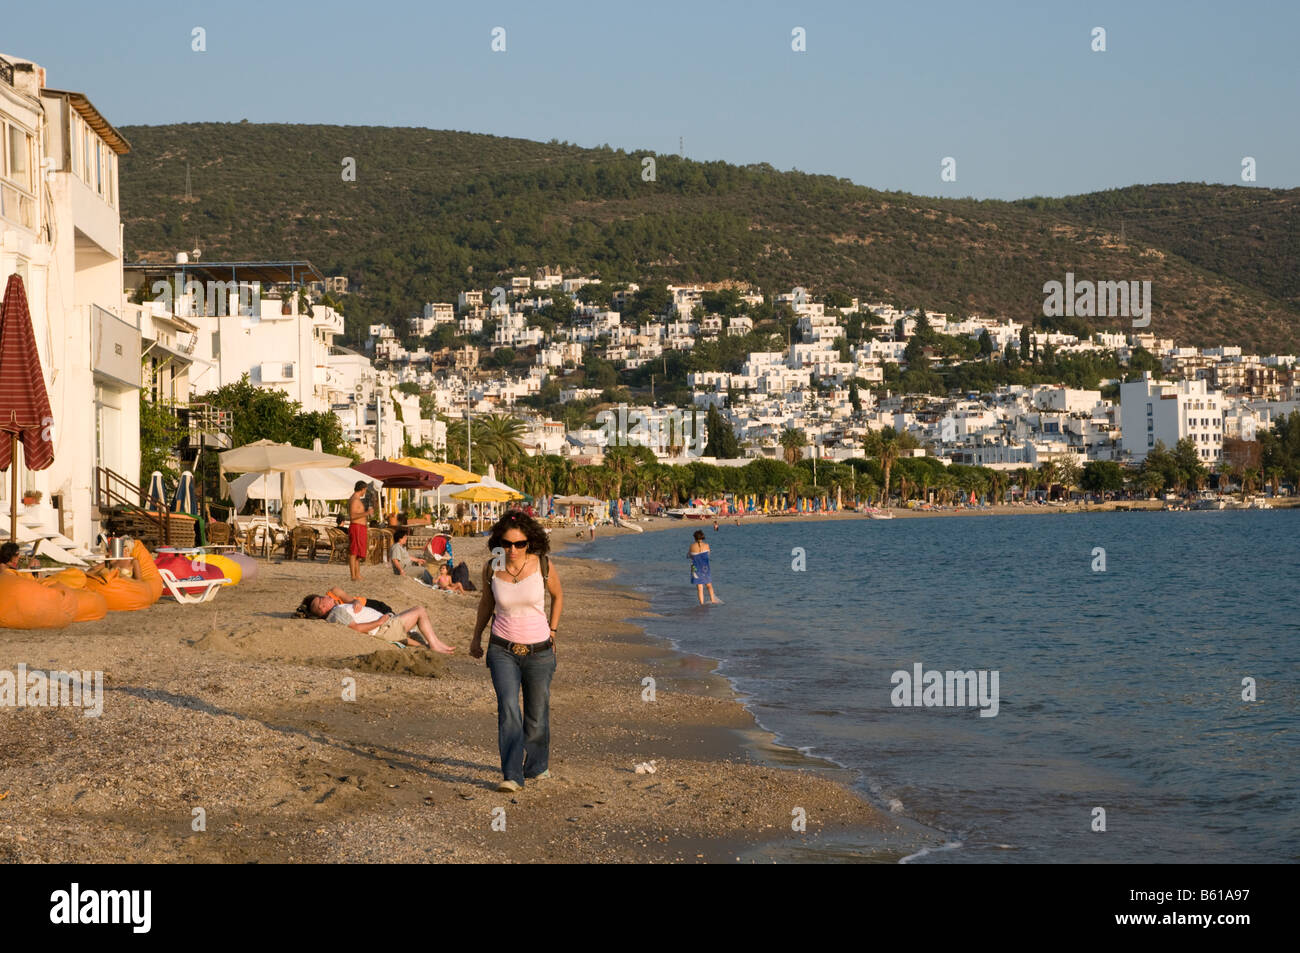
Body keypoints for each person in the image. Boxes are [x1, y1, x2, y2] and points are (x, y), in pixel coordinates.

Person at [471, 511, 563, 793]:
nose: (513, 550)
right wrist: (476, 638)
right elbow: (486, 604)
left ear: (529, 542)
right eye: (507, 544)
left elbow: (558, 596)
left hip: (539, 651)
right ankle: (512, 775)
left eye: (519, 544)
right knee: (508, 710)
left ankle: (536, 766)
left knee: (536, 715)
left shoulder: (542, 564)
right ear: (499, 542)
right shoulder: (492, 567)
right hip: (502, 649)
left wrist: (553, 630)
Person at [302, 594, 454, 654]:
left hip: (385, 625)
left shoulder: (338, 609)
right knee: (419, 610)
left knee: (418, 641)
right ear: (322, 608)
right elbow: (356, 628)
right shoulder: (336, 614)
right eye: (323, 599)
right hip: (383, 628)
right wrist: (380, 621)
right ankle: (435, 645)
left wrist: (354, 601)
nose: (327, 597)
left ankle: (435, 646)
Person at [294, 588, 394, 619]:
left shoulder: (333, 592)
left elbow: (349, 599)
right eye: (321, 598)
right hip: (364, 616)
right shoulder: (328, 613)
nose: (324, 596)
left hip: (369, 605)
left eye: (321, 596)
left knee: (392, 617)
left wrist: (356, 602)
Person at [347, 481, 373, 581]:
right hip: (356, 527)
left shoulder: (356, 499)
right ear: (362, 489)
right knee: (354, 552)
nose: (365, 492)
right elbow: (353, 516)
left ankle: (357, 574)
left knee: (358, 552)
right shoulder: (354, 500)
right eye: (365, 490)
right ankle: (353, 576)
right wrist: (367, 513)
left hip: (360, 528)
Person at [689, 529, 720, 605]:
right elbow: (708, 554)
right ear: (702, 537)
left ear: (695, 538)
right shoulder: (706, 545)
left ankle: (702, 604)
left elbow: (689, 556)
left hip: (695, 568)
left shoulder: (692, 546)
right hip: (705, 568)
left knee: (700, 588)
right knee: (709, 585)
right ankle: (713, 600)